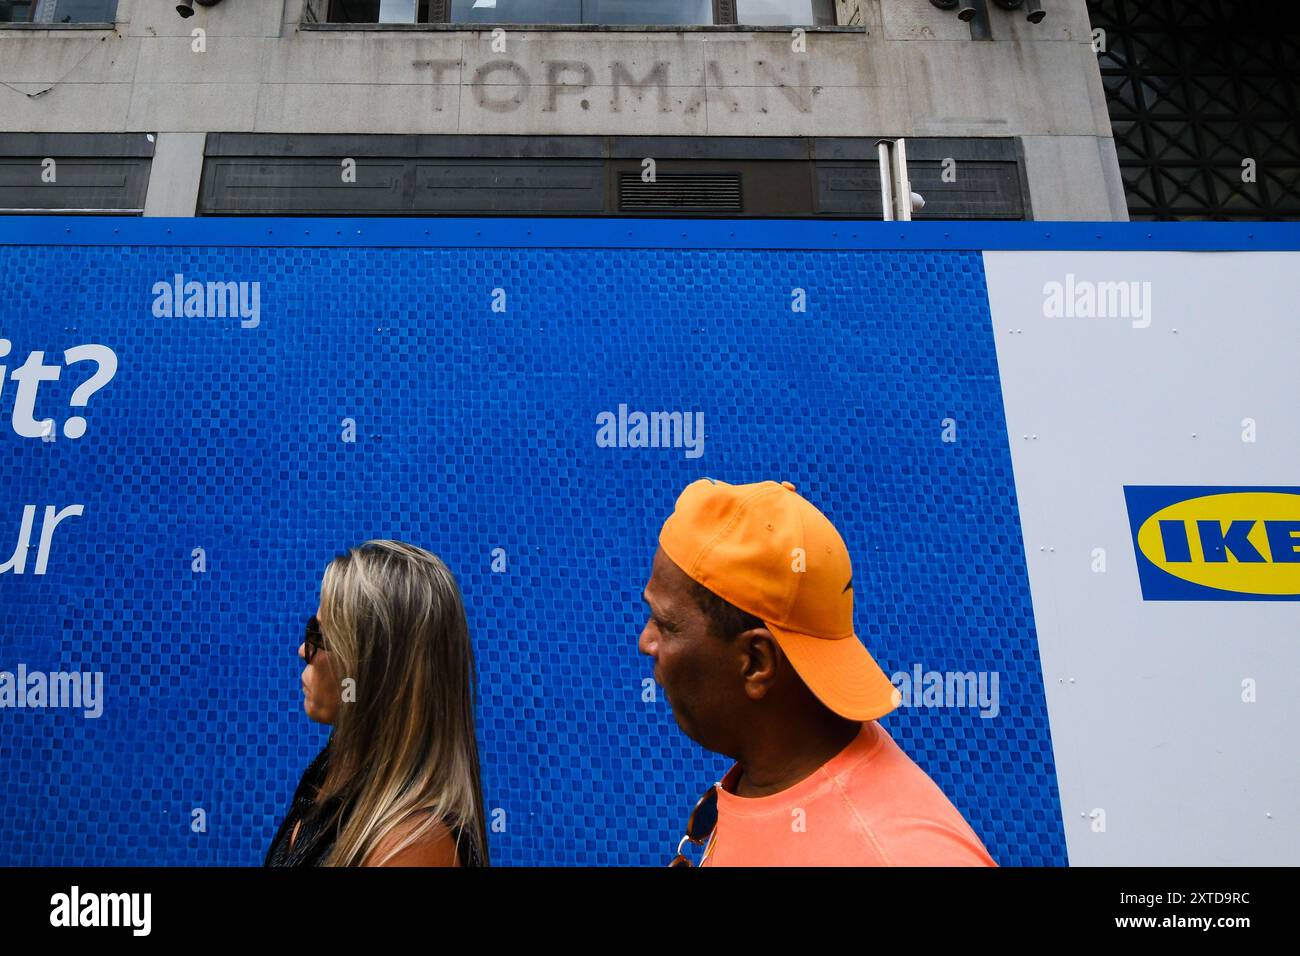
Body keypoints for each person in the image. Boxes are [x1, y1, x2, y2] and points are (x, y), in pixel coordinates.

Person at [639, 478, 997, 867]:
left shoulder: (902, 855)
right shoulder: (771, 776)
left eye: (666, 624)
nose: (647, 642)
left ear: (756, 662)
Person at [265, 540, 489, 867]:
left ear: (370, 672)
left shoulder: (412, 847)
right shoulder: (330, 776)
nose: (303, 650)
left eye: (319, 637)